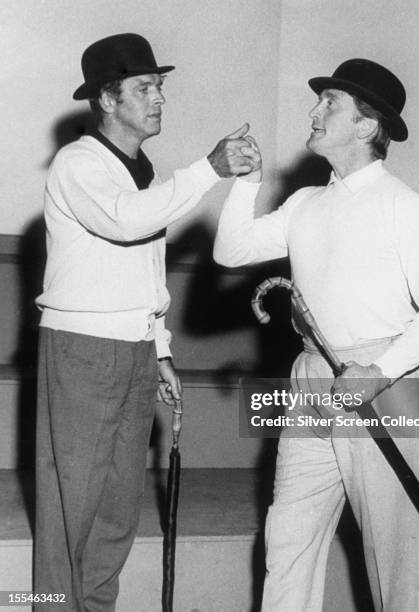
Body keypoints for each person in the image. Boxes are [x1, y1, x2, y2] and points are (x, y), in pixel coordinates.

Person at [214, 58, 419, 611]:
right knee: (287, 535)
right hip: (311, 378)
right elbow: (231, 251)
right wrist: (244, 185)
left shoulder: (405, 206)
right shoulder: (306, 203)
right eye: (319, 101)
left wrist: (378, 373)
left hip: (385, 383)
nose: (313, 111)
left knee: (395, 552)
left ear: (366, 126)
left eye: (330, 105)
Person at [34, 33, 259, 611]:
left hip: (133, 351)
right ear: (107, 100)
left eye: (160, 87)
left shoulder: (141, 167)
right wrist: (208, 171)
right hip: (82, 349)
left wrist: (159, 349)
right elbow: (126, 222)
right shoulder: (77, 162)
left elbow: (143, 266)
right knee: (71, 510)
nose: (159, 97)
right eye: (144, 87)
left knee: (116, 510)